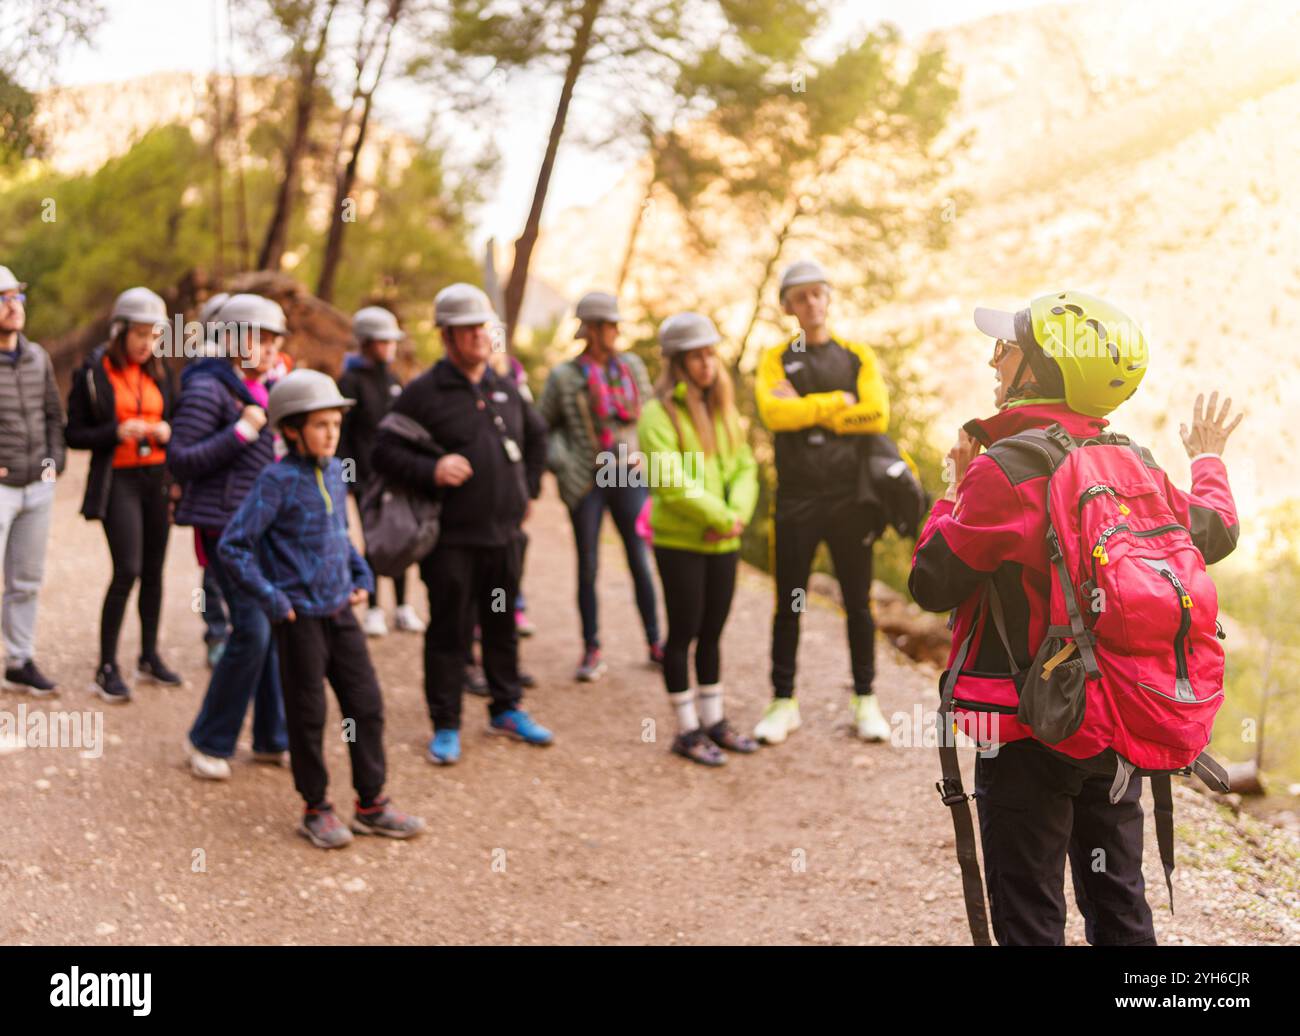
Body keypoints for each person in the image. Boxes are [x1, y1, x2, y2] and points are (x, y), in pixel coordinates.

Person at [910, 292, 1242, 946]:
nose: (993, 360)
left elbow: (931, 581)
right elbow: (1217, 531)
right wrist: (1208, 460)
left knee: (1030, 917)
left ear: (1042, 367)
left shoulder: (1003, 469)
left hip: (1027, 730)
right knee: (1119, 907)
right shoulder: (1133, 462)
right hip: (1118, 720)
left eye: (1007, 349)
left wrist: (948, 496)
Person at [219, 369, 424, 849]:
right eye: (321, 425)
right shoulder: (275, 481)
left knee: (366, 705)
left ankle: (371, 804)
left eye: (336, 423)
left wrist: (360, 574)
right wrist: (273, 599)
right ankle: (316, 807)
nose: (332, 433)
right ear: (291, 429)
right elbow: (233, 546)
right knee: (309, 715)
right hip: (300, 620)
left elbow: (339, 534)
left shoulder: (335, 469)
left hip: (340, 613)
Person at [372, 283, 552, 766]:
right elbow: (383, 451)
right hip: (451, 541)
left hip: (504, 538)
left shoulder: (503, 386)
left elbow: (537, 436)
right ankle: (446, 723)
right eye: (467, 328)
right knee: (449, 632)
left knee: (501, 624)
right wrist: (432, 470)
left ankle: (507, 707)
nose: (478, 335)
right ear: (447, 337)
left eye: (483, 326)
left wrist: (528, 489)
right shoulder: (423, 393)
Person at [752, 260, 892, 744]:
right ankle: (782, 701)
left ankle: (866, 700)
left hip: (851, 499)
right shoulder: (775, 357)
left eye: (818, 293)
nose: (811, 303)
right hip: (796, 499)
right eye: (800, 296)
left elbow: (875, 416)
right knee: (789, 600)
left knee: (859, 601)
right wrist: (838, 403)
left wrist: (810, 408)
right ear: (788, 306)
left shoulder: (857, 356)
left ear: (828, 298)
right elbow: (774, 412)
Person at [169, 293, 289, 780]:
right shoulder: (207, 387)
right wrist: (240, 432)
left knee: (270, 629)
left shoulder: (262, 388)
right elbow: (180, 458)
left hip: (259, 527)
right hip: (224, 528)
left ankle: (270, 737)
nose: (269, 349)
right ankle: (208, 740)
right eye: (259, 338)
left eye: (274, 340)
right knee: (253, 630)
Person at [638, 312, 759, 765]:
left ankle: (714, 722)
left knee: (713, 632)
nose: (706, 364)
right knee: (683, 633)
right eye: (696, 356)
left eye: (710, 354)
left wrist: (735, 518)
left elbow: (745, 466)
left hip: (723, 540)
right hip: (681, 542)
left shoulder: (722, 410)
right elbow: (669, 481)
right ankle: (686, 730)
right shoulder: (657, 413)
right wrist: (720, 515)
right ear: (677, 362)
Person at [538, 290, 661, 682]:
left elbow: (650, 414)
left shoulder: (632, 367)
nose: (615, 331)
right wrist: (562, 461)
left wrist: (646, 454)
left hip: (627, 473)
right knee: (588, 564)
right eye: (608, 325)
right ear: (590, 330)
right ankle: (591, 648)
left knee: (639, 558)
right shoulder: (564, 376)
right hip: (587, 478)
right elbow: (543, 427)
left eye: (616, 324)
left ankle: (656, 642)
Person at [65, 287, 181, 702]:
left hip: (157, 479)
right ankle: (106, 667)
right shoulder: (94, 372)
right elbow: (73, 433)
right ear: (119, 332)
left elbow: (177, 418)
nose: (146, 344)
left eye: (153, 336)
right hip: (119, 482)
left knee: (155, 571)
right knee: (127, 569)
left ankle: (148, 657)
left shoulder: (161, 371)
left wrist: (167, 432)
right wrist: (114, 433)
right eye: (139, 336)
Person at [337, 305, 425, 638]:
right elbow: (342, 435)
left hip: (396, 475)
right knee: (374, 541)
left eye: (392, 341)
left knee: (401, 536)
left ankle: (402, 607)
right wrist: (347, 478)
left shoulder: (393, 380)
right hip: (365, 478)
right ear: (366, 342)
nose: (390, 347)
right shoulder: (349, 381)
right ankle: (373, 607)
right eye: (383, 341)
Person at [0, 264, 65, 696]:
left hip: (36, 487)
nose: (13, 306)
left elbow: (54, 415)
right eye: (3, 299)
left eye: (16, 297)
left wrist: (53, 463)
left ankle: (19, 661)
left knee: (26, 580)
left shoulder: (38, 356)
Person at [193, 292, 231, 667]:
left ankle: (232, 629)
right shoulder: (205, 365)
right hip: (214, 480)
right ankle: (215, 631)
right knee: (213, 564)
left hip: (248, 478)